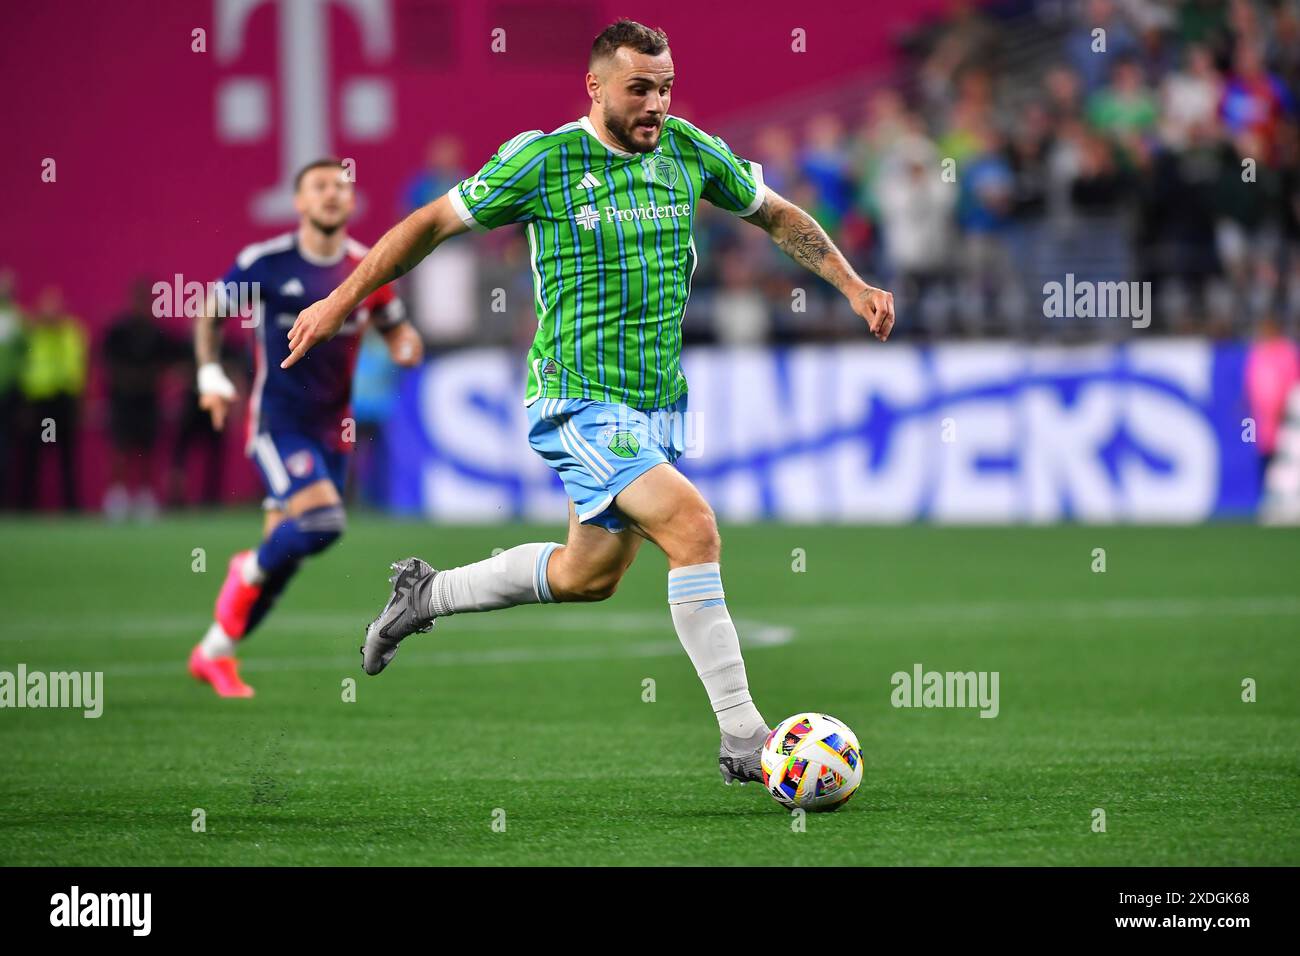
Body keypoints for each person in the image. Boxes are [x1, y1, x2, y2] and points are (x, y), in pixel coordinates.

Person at [282, 21, 895, 783]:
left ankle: (425, 594)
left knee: (588, 575)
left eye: (665, 88)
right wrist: (344, 301)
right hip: (576, 400)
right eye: (640, 89)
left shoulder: (689, 151)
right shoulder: (544, 160)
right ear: (596, 87)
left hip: (656, 408)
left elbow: (777, 215)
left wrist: (855, 284)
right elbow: (431, 224)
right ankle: (745, 736)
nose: (657, 105)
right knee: (693, 526)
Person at [189, 157, 423, 697]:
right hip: (279, 424)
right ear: (299, 202)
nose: (332, 195)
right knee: (321, 523)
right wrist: (210, 375)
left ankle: (214, 652)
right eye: (319, 187)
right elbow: (210, 310)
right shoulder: (266, 263)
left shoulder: (368, 268)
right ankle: (244, 568)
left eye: (341, 186)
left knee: (287, 560)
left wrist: (406, 345)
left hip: (333, 432)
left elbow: (396, 327)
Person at [102, 280, 172, 520]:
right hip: (122, 401)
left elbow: (168, 366)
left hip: (148, 402)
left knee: (147, 452)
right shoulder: (118, 332)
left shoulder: (158, 334)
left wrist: (148, 379)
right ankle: (118, 498)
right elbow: (108, 365)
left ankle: (144, 497)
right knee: (120, 450)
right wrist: (129, 379)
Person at [17, 286, 86, 511]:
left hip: (63, 400)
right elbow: (24, 367)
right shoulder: (32, 334)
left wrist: (78, 398)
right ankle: (27, 506)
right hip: (38, 401)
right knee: (33, 456)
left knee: (67, 456)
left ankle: (71, 506)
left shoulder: (71, 331)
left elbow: (78, 364)